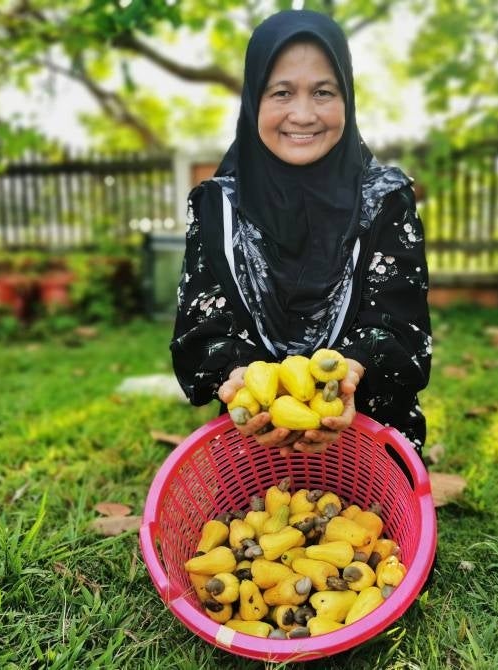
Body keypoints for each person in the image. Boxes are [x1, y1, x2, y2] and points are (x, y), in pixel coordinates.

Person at [171, 9, 431, 457]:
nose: (304, 114)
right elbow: (200, 333)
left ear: (347, 97)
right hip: (254, 442)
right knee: (256, 503)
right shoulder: (218, 208)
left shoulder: (385, 200)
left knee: (367, 505)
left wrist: (349, 375)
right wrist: (238, 378)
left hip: (371, 438)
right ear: (254, 99)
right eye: (282, 92)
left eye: (323, 92)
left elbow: (403, 328)